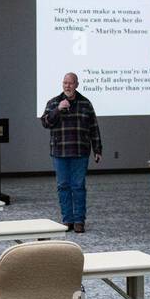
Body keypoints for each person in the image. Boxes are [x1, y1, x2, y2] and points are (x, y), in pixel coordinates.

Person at [39, 72, 101, 233]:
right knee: (63, 186)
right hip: (60, 152)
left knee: (79, 186)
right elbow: (45, 123)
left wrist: (98, 149)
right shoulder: (53, 102)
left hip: (80, 151)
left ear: (77, 85)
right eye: (65, 83)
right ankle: (67, 220)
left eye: (71, 83)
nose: (67, 86)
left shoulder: (86, 103)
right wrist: (58, 110)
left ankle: (79, 220)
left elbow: (94, 127)